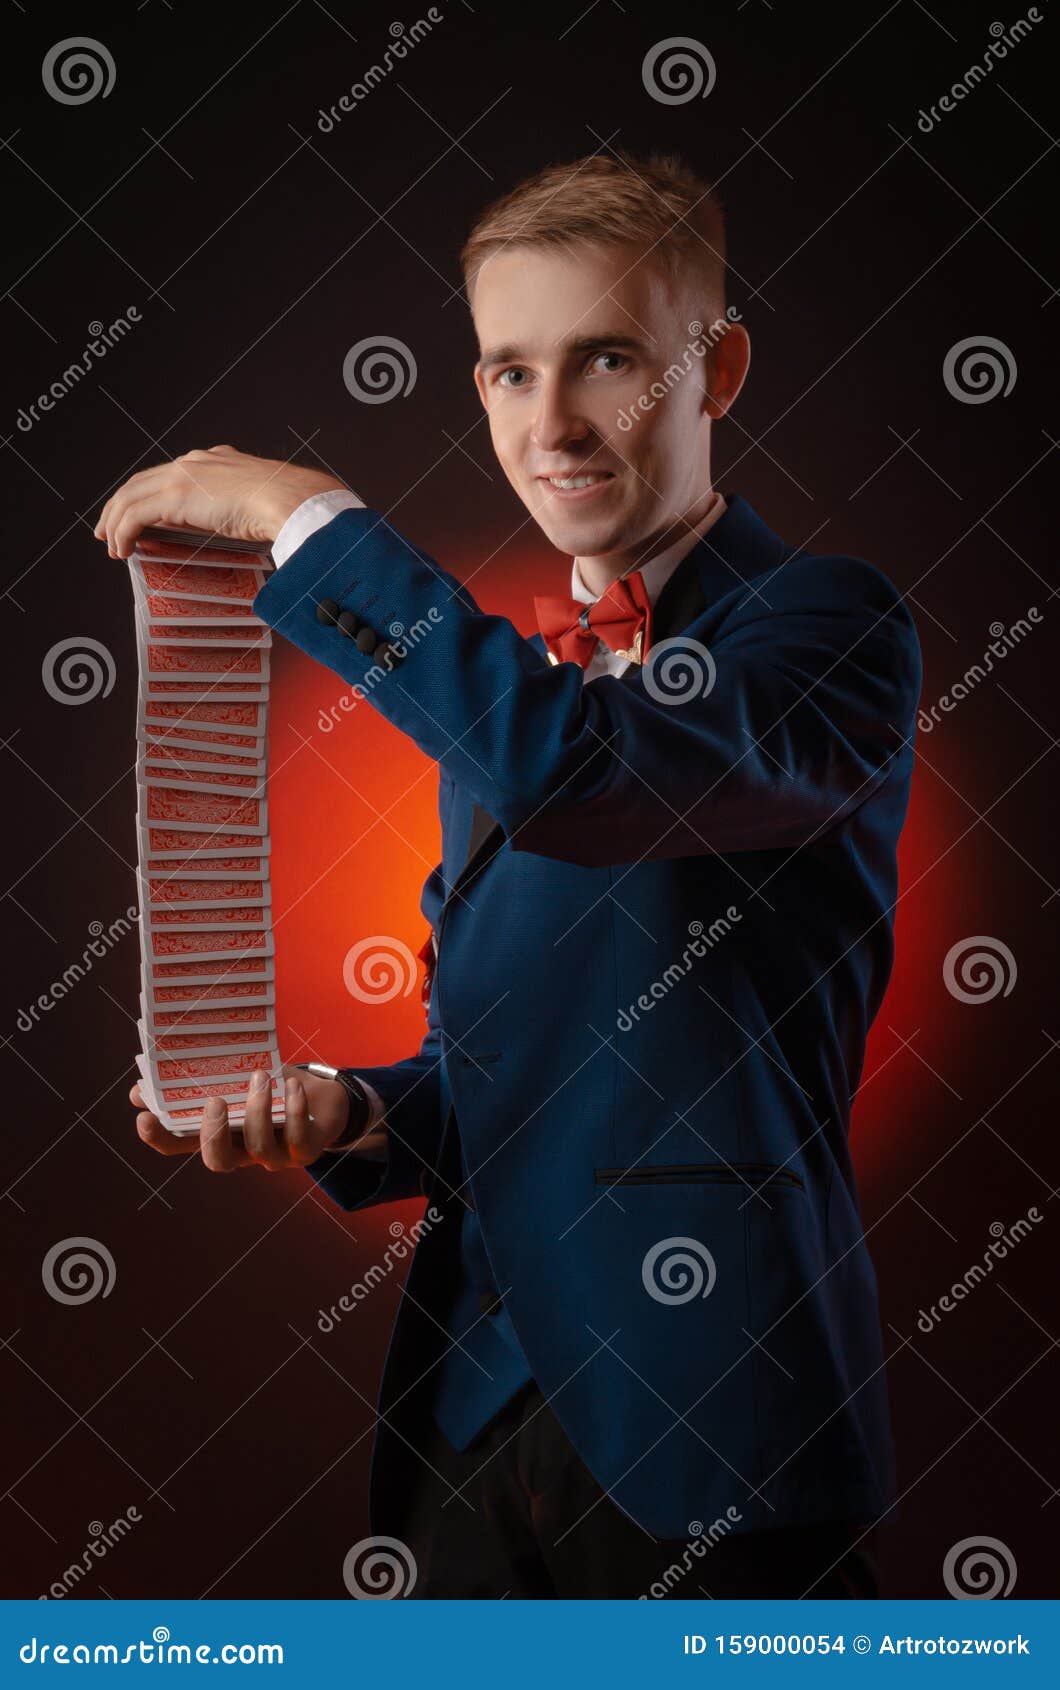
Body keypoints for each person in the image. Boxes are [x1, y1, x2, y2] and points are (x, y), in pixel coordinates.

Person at [102, 151, 920, 1599]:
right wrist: (349, 1110)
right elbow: (502, 1083)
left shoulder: (829, 632)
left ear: (715, 367)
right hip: (463, 1439)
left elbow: (583, 774)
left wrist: (308, 521)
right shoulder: (512, 701)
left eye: (605, 359)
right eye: (507, 371)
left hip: (709, 1430)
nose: (552, 423)